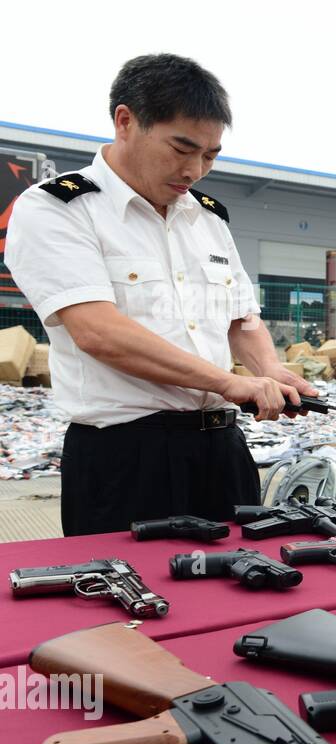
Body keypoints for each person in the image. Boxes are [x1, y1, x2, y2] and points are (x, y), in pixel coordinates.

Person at [6, 53, 316, 536]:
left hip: (222, 451)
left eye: (210, 156)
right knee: (130, 603)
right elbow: (98, 332)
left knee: (247, 593)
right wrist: (230, 383)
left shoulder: (208, 218)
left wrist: (270, 370)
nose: (194, 170)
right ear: (126, 121)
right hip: (125, 459)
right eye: (181, 148)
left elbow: (241, 318)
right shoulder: (58, 208)